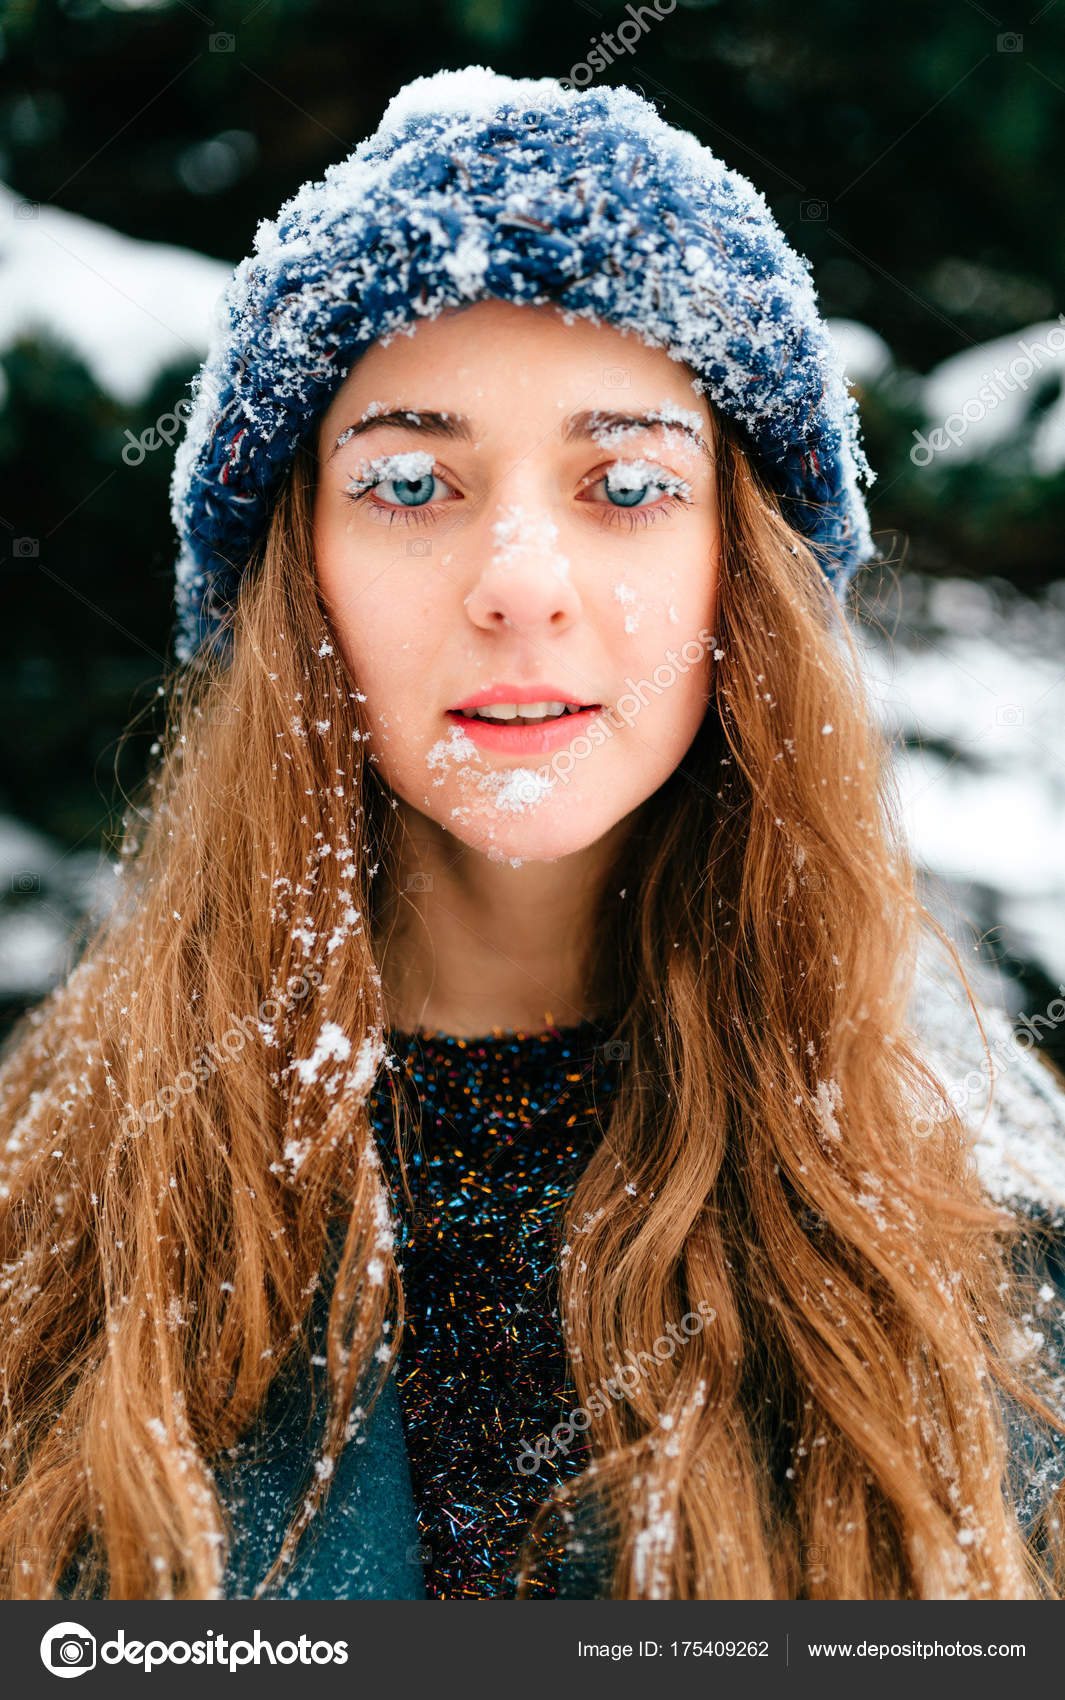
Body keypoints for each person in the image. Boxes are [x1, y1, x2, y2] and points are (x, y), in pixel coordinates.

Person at [2, 65, 1065, 1604]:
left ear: (737, 574)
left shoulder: (984, 1260)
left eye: (625, 486)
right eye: (412, 484)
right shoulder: (57, 1247)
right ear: (295, 568)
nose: (520, 581)